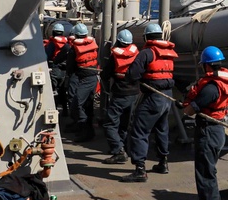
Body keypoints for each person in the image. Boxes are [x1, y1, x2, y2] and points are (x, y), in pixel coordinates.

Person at [179, 45, 228, 200]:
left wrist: (184, 106)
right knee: (203, 169)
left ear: (207, 66)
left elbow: (189, 111)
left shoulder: (211, 88)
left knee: (207, 173)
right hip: (214, 129)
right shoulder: (222, 83)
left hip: (209, 131)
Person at [121, 23, 178, 183]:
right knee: (162, 129)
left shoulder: (147, 53)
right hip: (167, 97)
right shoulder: (169, 53)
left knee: (139, 131)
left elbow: (132, 74)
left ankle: (140, 169)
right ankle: (163, 162)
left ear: (146, 37)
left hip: (153, 96)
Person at [100, 29, 139, 165]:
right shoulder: (136, 54)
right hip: (134, 94)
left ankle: (118, 151)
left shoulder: (115, 57)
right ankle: (123, 147)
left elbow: (105, 75)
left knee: (110, 124)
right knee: (125, 123)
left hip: (120, 94)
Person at [63, 23, 100, 143]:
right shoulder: (93, 45)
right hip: (93, 77)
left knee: (77, 103)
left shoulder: (74, 48)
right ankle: (88, 131)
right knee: (88, 105)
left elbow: (70, 66)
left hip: (84, 79)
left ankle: (84, 128)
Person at [43, 22, 69, 113]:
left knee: (53, 89)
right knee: (62, 90)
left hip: (54, 68)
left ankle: (54, 109)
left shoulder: (52, 44)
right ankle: (65, 110)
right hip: (64, 70)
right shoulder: (67, 43)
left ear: (53, 32)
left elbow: (46, 56)